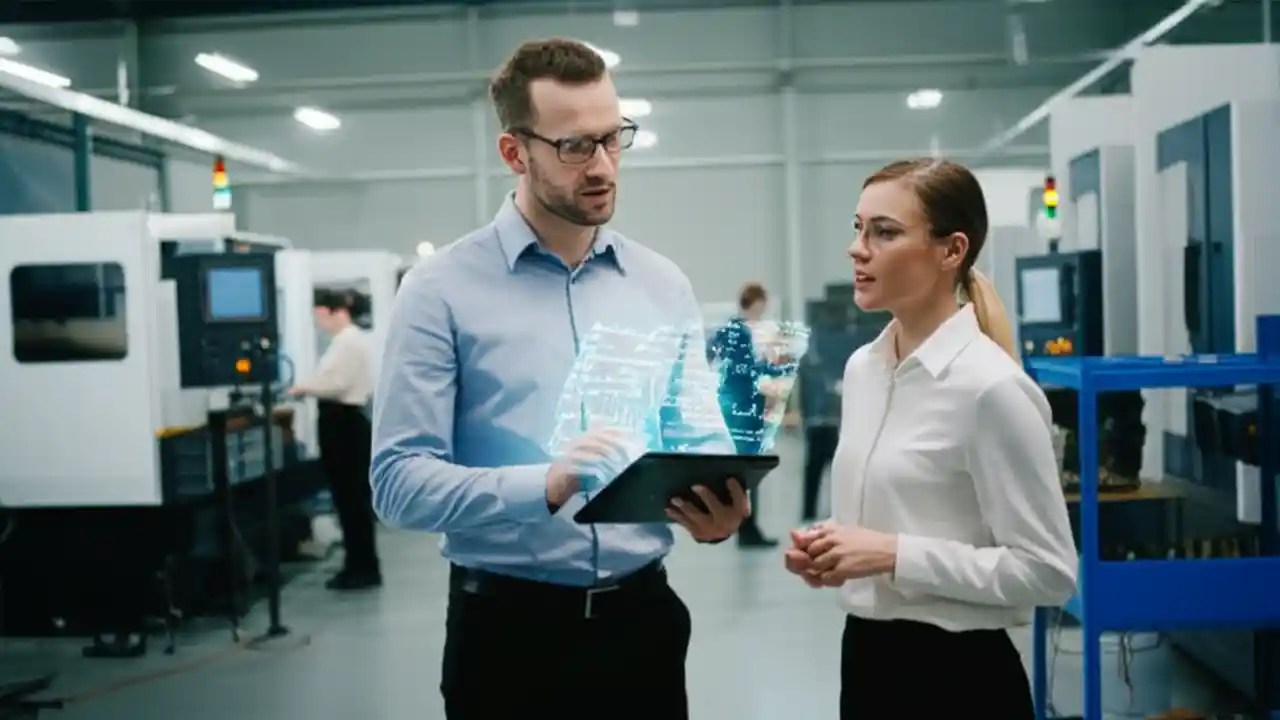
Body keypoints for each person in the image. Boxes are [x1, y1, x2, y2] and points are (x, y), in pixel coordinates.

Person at [369, 38, 751, 719]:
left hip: (646, 626)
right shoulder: (439, 291)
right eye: (576, 146)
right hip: (509, 640)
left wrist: (717, 507)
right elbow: (397, 484)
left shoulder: (663, 284)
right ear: (515, 153)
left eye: (613, 139)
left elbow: (697, 434)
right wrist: (541, 485)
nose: (604, 166)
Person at [783, 158, 1078, 719]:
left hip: (958, 676)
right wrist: (834, 550)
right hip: (867, 657)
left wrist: (893, 555)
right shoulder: (864, 370)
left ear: (951, 251)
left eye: (885, 232)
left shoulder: (991, 389)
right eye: (857, 227)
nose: (858, 248)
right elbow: (903, 512)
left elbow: (1049, 572)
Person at [288, 289, 381, 591]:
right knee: (349, 500)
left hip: (344, 424)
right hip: (343, 423)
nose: (321, 324)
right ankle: (358, 564)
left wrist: (304, 387)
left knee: (351, 500)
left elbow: (338, 384)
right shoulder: (346, 342)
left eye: (321, 316)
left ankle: (362, 568)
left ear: (336, 311)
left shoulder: (349, 342)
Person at [706, 281, 785, 547]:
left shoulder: (740, 332)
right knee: (744, 470)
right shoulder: (738, 333)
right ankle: (746, 526)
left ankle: (748, 526)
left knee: (747, 468)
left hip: (748, 406)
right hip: (740, 408)